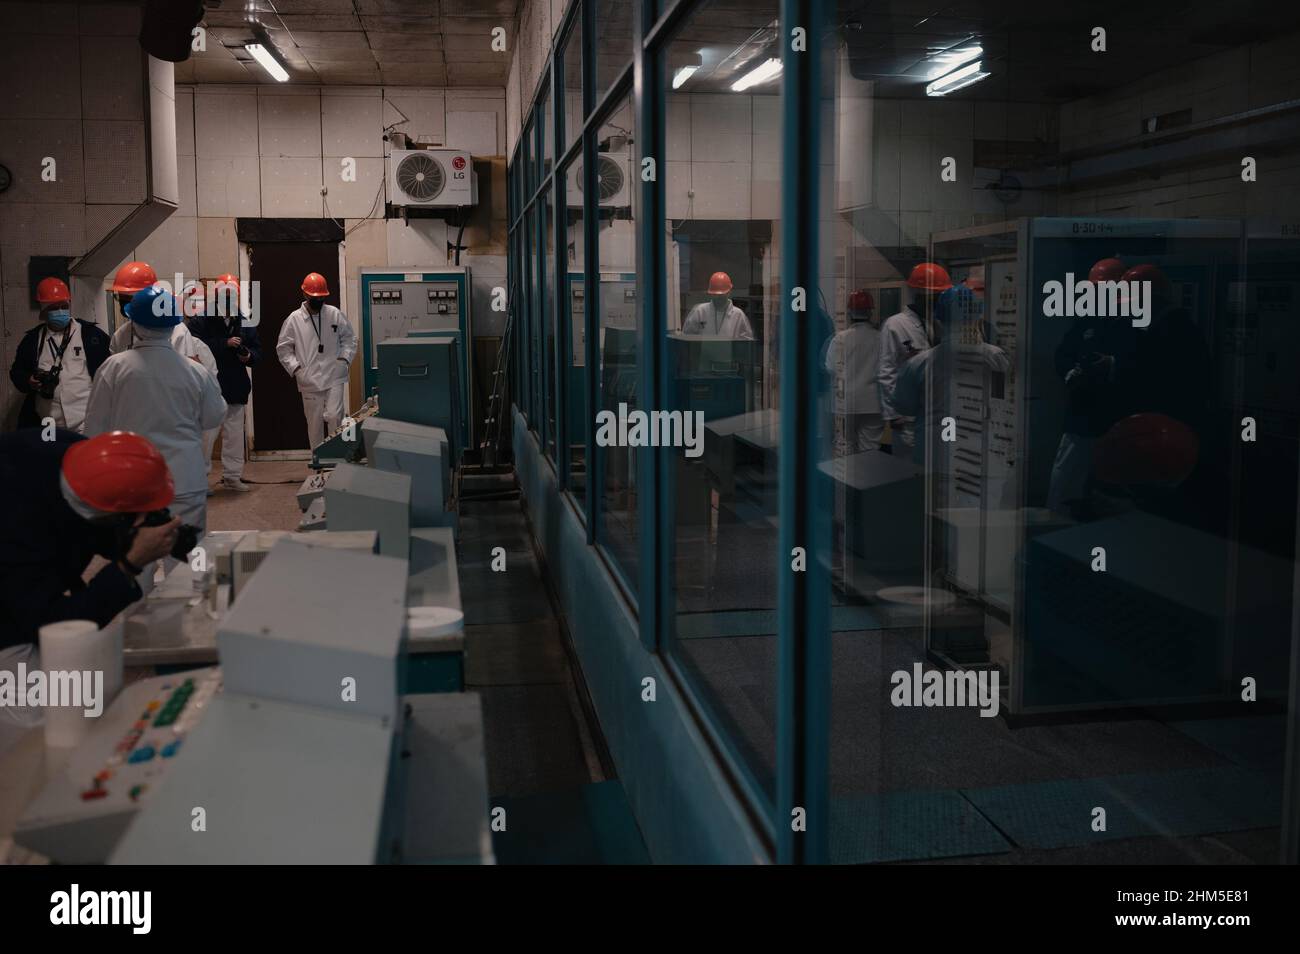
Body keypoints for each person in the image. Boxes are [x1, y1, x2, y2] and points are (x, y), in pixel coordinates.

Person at [83, 286, 226, 538]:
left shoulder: (113, 368)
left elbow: (95, 429)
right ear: (174, 326)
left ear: (134, 324)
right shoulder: (195, 371)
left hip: (132, 481)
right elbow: (214, 416)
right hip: (185, 480)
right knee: (187, 562)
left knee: (136, 563)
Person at [892, 284, 1009, 471]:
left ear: (939, 321)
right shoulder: (995, 358)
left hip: (933, 455)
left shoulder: (920, 363)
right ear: (977, 318)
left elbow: (903, 405)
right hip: (981, 455)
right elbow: (1001, 403)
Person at [8, 277, 110, 433]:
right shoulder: (32, 340)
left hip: (86, 422)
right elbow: (17, 372)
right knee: (52, 457)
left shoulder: (91, 335)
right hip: (48, 424)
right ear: (43, 310)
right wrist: (29, 381)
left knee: (84, 457)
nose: (60, 311)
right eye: (54, 308)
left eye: (64, 306)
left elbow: (109, 373)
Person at [193, 274, 260, 492]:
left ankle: (232, 477)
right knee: (207, 435)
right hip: (209, 387)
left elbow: (258, 352)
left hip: (236, 387)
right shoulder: (202, 320)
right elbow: (192, 345)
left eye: (233, 295)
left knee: (233, 436)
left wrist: (248, 356)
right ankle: (201, 479)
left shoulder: (245, 320)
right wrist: (224, 343)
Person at [277, 272, 357, 449]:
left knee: (335, 416)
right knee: (314, 424)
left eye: (321, 298)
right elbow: (283, 349)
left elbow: (350, 339)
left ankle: (336, 461)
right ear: (305, 294)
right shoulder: (294, 320)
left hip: (334, 374)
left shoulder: (334, 314)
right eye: (315, 297)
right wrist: (297, 369)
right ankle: (319, 464)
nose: (318, 301)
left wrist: (344, 359)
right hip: (309, 378)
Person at [878, 262, 951, 452]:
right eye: (936, 295)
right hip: (907, 417)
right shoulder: (895, 325)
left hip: (936, 412)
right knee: (908, 468)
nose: (939, 300)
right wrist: (893, 415)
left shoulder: (938, 323)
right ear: (921, 295)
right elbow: (887, 372)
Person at [824, 289, 884, 453]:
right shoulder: (880, 338)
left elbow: (830, 368)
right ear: (870, 312)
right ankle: (868, 479)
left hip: (844, 401)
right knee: (870, 449)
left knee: (844, 446)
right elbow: (885, 370)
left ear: (849, 312)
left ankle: (846, 479)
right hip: (872, 402)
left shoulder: (840, 338)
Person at [681, 271, 754, 339]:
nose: (718, 297)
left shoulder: (738, 315)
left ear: (729, 292)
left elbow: (746, 343)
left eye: (721, 294)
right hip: (704, 353)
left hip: (729, 353)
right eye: (715, 294)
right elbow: (687, 337)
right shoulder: (700, 312)